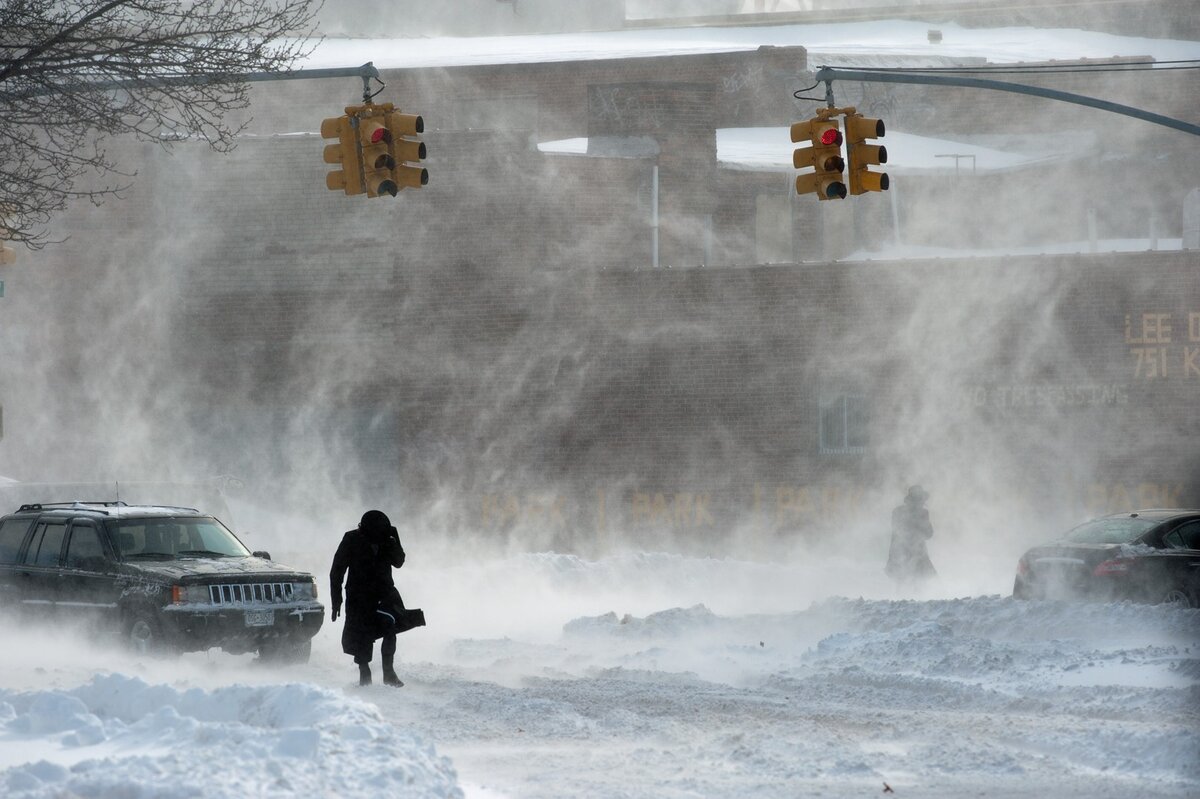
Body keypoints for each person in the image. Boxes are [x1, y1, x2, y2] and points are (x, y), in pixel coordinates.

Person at [330, 509, 412, 687]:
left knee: (390, 626)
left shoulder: (387, 541)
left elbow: (399, 562)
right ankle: (364, 671)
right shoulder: (351, 539)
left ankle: (389, 672)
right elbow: (337, 570)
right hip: (359, 596)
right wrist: (336, 599)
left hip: (384, 594)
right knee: (362, 635)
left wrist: (396, 538)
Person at [885, 485, 937, 585]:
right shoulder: (918, 513)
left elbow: (929, 534)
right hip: (902, 551)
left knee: (912, 582)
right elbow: (898, 530)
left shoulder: (920, 513)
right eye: (920, 500)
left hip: (913, 552)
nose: (922, 503)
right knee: (906, 581)